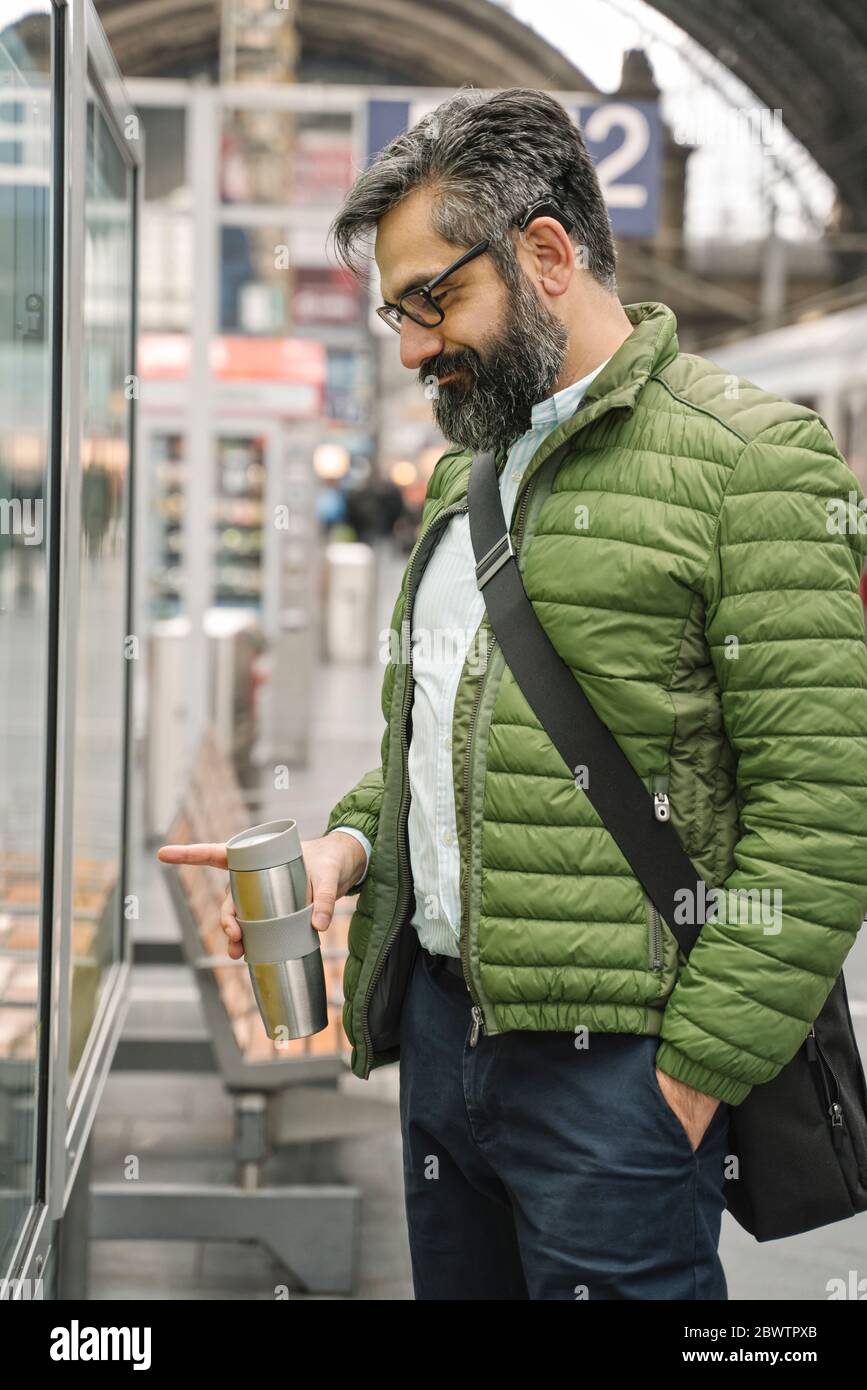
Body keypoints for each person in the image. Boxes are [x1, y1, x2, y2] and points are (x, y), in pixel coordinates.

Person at [160, 86, 867, 1300]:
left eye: (434, 301)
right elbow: (437, 733)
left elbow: (823, 814)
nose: (412, 348)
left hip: (618, 1083)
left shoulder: (752, 464)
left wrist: (689, 1076)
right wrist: (345, 843)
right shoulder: (464, 480)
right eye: (397, 312)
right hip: (445, 1051)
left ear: (546, 253)